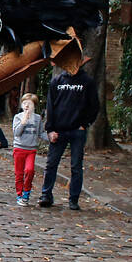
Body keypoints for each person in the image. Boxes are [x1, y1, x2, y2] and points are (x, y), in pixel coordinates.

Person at [37, 56, 100, 211]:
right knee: (51, 164)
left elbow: (94, 106)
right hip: (58, 130)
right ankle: (46, 195)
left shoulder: (87, 82)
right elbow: (51, 106)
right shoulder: (57, 81)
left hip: (77, 130)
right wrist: (50, 129)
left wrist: (84, 124)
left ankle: (74, 198)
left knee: (76, 166)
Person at [11, 92, 46, 206]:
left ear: (34, 106)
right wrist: (23, 122)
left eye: (29, 104)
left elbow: (41, 133)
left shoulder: (37, 118)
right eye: (24, 103)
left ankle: (26, 192)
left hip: (31, 149)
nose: (26, 106)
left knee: (29, 170)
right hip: (19, 148)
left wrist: (51, 137)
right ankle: (20, 194)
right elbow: (16, 133)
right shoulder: (18, 117)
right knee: (19, 173)